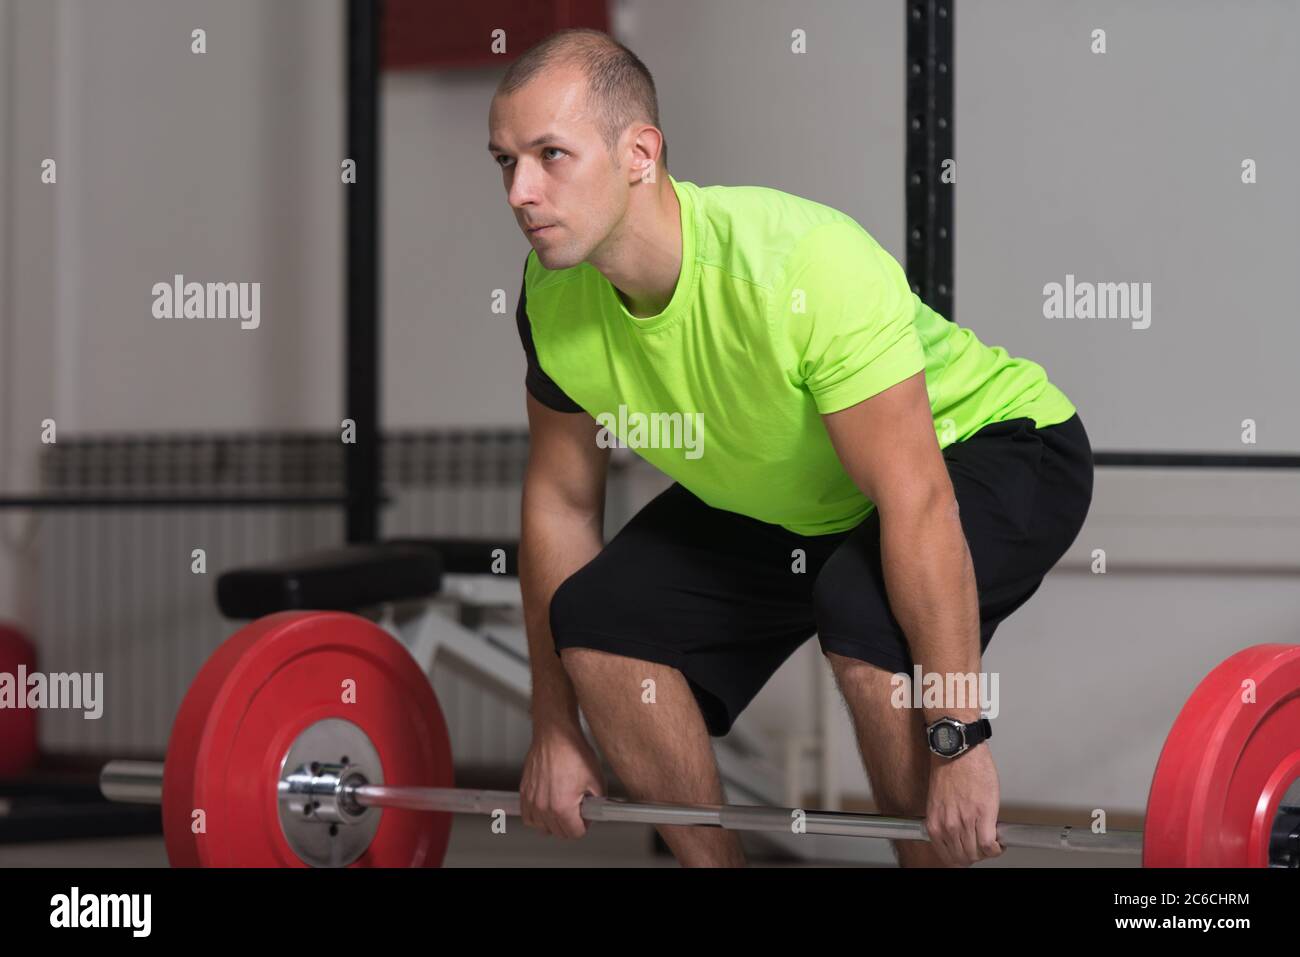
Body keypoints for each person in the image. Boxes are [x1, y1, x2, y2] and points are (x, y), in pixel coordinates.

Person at [487, 27, 1093, 867]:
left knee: (861, 603)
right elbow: (560, 502)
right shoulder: (553, 302)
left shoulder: (798, 267)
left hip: (994, 445)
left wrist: (958, 737)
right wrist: (554, 728)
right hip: (804, 492)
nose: (520, 190)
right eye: (505, 162)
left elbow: (915, 499)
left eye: (551, 154)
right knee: (599, 618)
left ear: (639, 153)